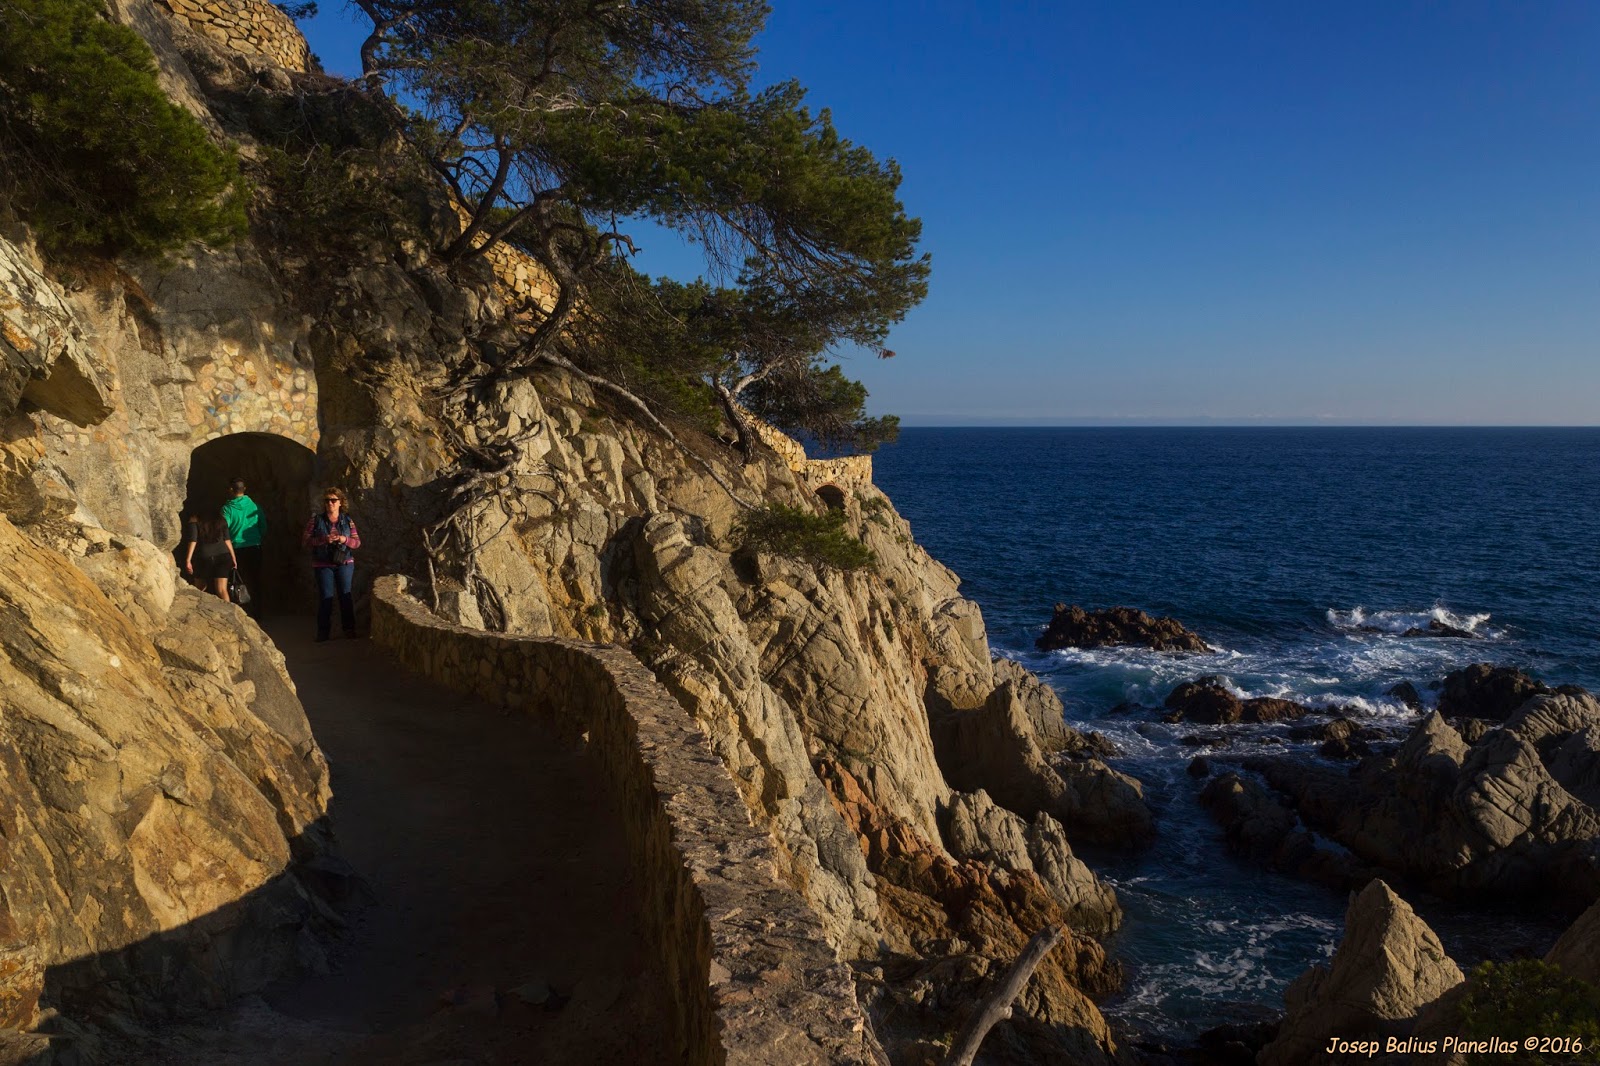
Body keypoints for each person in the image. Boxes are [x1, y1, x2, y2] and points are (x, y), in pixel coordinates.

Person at [303, 486, 361, 642]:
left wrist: (344, 539)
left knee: (345, 596)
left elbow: (356, 543)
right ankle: (323, 633)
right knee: (326, 597)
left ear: (340, 502)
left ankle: (349, 629)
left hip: (344, 562)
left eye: (333, 500)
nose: (330, 503)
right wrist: (323, 540)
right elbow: (306, 541)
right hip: (322, 564)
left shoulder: (348, 521)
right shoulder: (315, 520)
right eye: (327, 500)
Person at [222, 478, 264, 617]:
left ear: (230, 490)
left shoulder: (227, 509)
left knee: (236, 581)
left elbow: (223, 529)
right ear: (244, 489)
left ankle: (242, 613)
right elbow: (263, 527)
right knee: (255, 579)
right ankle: (258, 611)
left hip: (236, 549)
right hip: (254, 546)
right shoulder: (255, 507)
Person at [184, 513, 238, 603]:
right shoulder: (221, 520)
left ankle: (197, 610)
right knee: (222, 590)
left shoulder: (194, 520)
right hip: (223, 556)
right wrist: (233, 557)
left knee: (199, 588)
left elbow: (193, 540)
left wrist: (188, 560)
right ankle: (228, 614)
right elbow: (227, 539)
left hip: (204, 557)